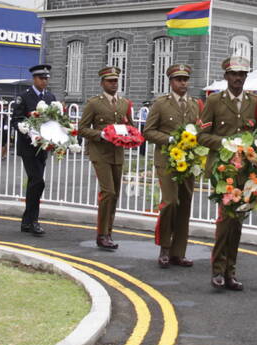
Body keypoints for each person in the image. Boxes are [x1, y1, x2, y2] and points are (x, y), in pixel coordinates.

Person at [198, 56, 257, 291]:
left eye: (242, 74)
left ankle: (231, 272)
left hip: (245, 170)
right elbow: (201, 135)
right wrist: (225, 143)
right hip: (222, 169)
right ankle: (218, 270)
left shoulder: (255, 102)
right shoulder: (215, 101)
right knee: (226, 219)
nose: (238, 78)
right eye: (234, 74)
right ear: (226, 76)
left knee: (238, 221)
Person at [143, 63, 201, 269]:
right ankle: (165, 248)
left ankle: (179, 252)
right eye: (179, 79)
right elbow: (148, 132)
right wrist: (168, 140)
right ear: (171, 82)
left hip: (189, 161)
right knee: (170, 202)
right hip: (167, 161)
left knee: (185, 204)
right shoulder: (161, 104)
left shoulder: (195, 105)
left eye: (185, 79)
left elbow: (200, 131)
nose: (183, 83)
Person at [77, 66, 134, 250]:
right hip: (100, 152)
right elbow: (82, 128)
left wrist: (130, 135)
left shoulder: (124, 103)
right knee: (108, 192)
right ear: (102, 83)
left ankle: (108, 231)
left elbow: (130, 127)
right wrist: (100, 134)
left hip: (117, 153)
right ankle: (102, 234)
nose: (113, 84)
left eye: (116, 80)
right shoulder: (94, 103)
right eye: (110, 81)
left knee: (115, 194)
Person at [11, 64, 56, 236]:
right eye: (41, 78)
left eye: (46, 78)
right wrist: (27, 130)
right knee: (38, 181)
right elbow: (15, 120)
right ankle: (33, 220)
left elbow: (55, 120)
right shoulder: (24, 97)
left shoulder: (51, 97)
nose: (44, 81)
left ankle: (27, 221)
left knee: (34, 182)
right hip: (29, 147)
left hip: (43, 147)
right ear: (34, 79)